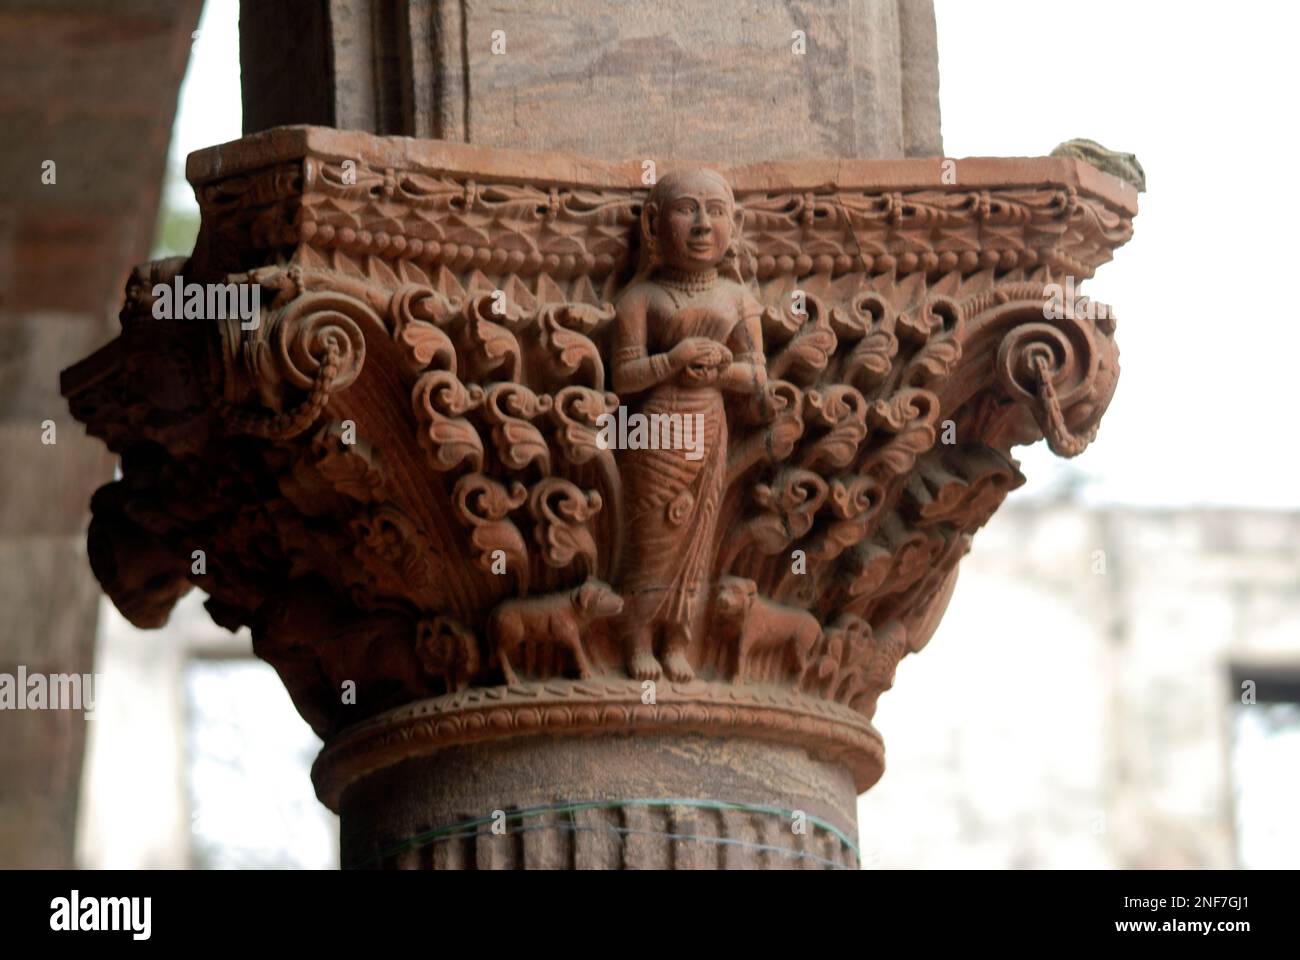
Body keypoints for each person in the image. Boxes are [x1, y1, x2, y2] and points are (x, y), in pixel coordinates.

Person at [611, 168, 768, 681]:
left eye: (716, 211)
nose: (703, 224)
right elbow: (624, 377)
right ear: (653, 224)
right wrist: (674, 360)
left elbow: (758, 377)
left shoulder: (739, 300)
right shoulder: (642, 299)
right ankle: (636, 638)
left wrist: (725, 368)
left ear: (735, 224)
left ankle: (678, 639)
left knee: (697, 539)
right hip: (655, 431)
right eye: (687, 209)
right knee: (651, 536)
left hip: (710, 427)